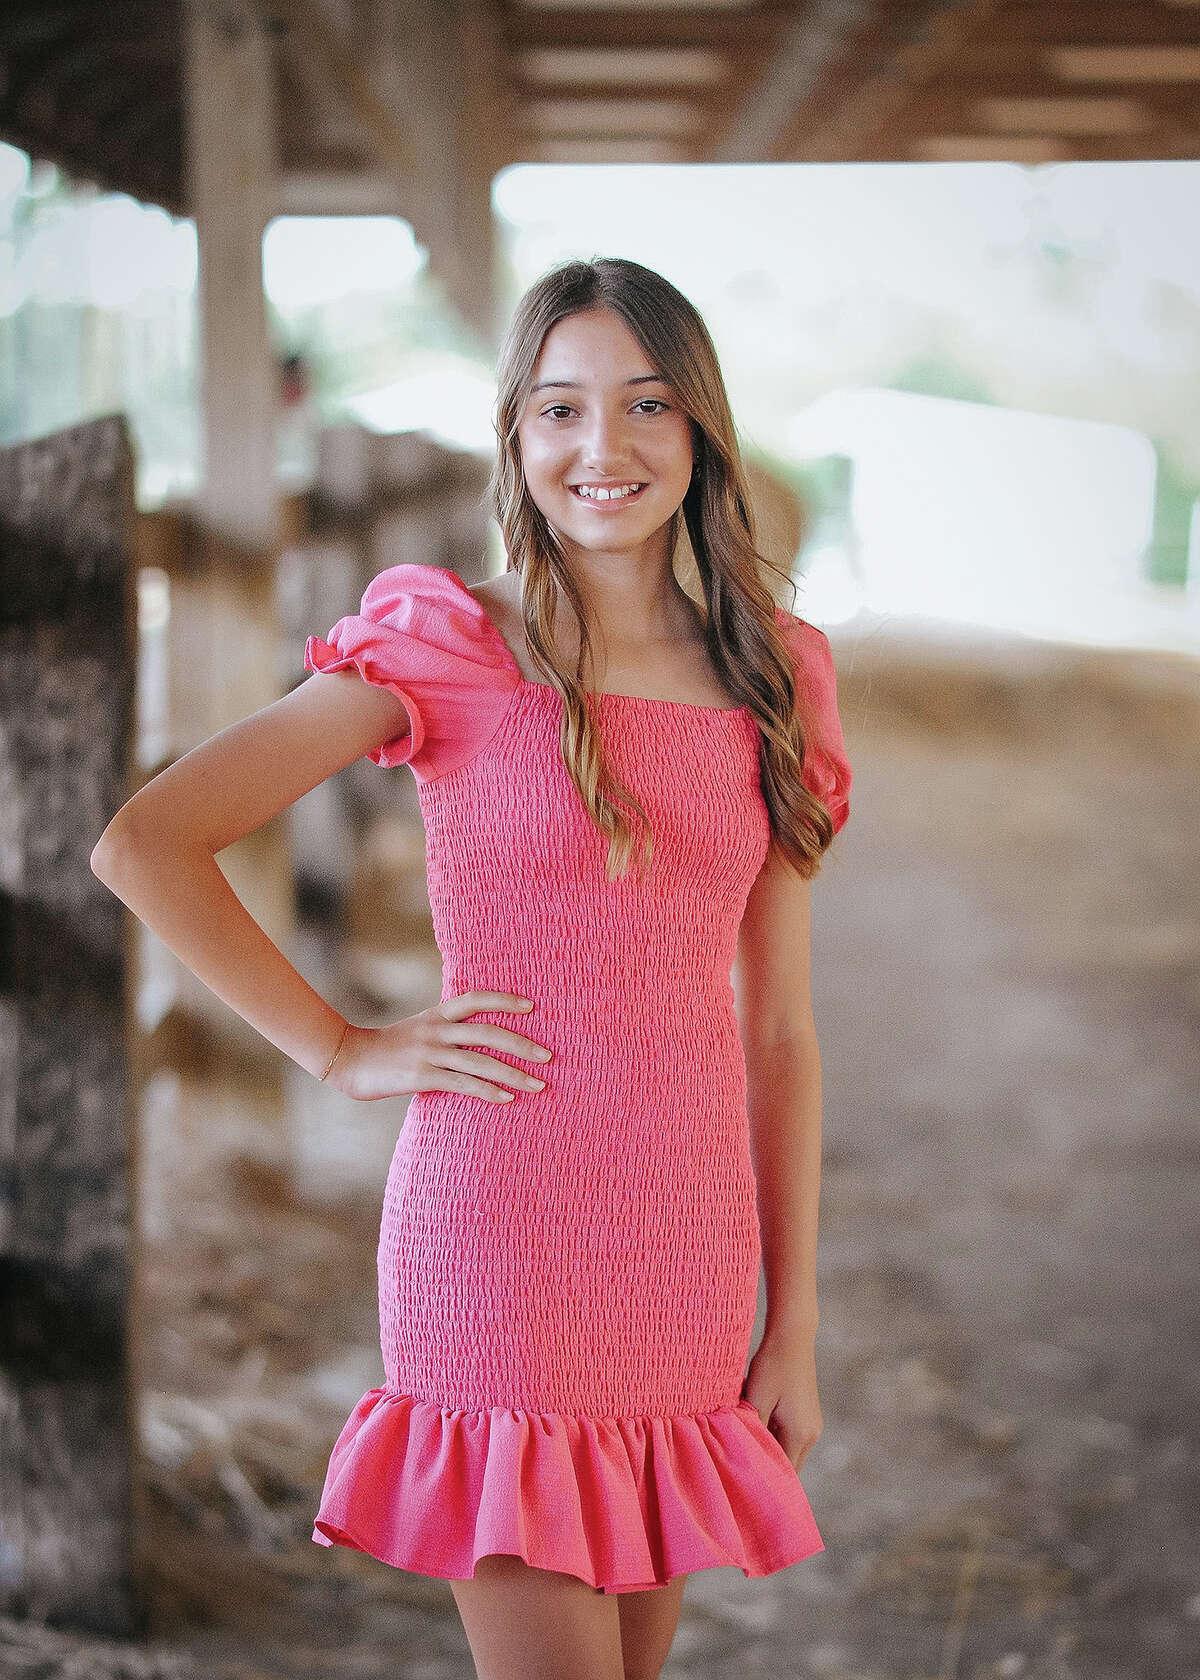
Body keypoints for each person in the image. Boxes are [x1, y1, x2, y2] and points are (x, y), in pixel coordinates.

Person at [91, 255, 852, 1680]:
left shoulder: (777, 677)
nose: (601, 449)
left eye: (643, 406)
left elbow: (784, 1033)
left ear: (700, 434)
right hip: (501, 1234)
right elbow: (148, 843)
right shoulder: (446, 647)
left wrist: (793, 1322)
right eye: (558, 409)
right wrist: (342, 1046)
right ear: (516, 436)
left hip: (685, 1252)